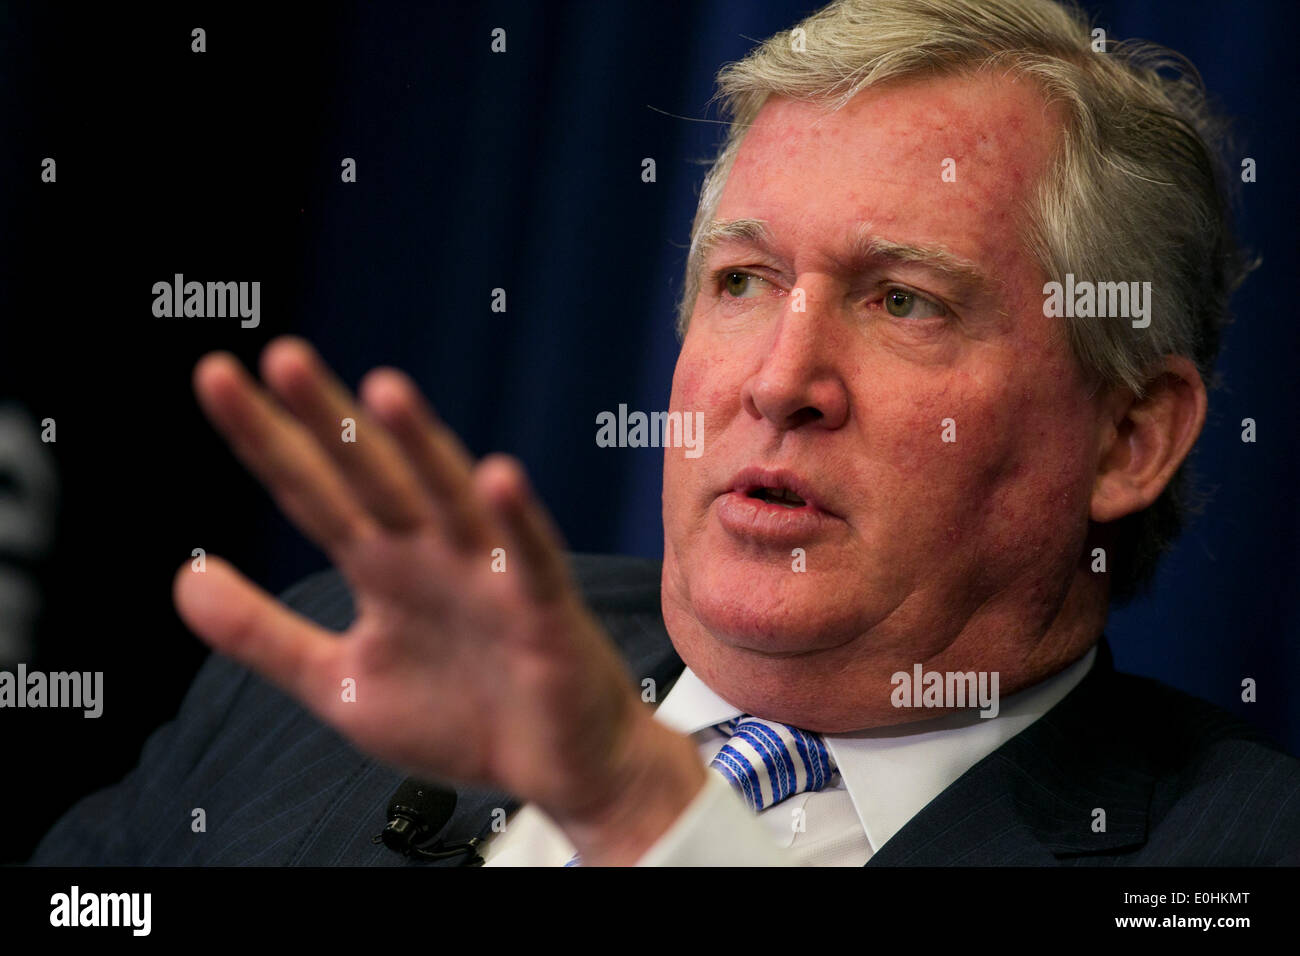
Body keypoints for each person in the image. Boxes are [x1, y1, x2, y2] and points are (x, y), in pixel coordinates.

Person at [30, 0, 1300, 866]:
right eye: (741, 281)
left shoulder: (1233, 852)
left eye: (902, 300)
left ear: (1129, 437)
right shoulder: (330, 667)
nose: (780, 380)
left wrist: (642, 808)